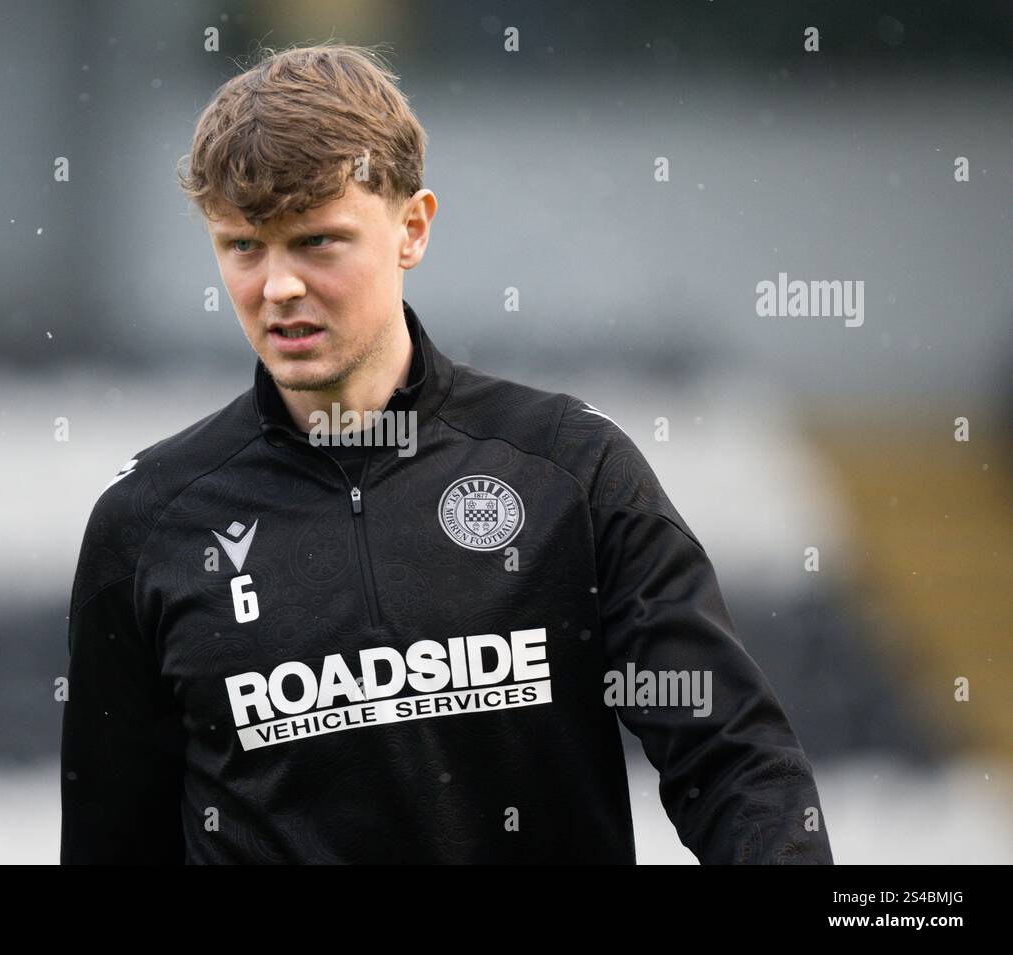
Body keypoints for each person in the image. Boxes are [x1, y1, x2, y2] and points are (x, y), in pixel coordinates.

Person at [59, 41, 833, 864]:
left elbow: (737, 766)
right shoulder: (148, 525)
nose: (276, 285)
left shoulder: (572, 471)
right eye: (243, 246)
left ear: (412, 228)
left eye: (317, 240)